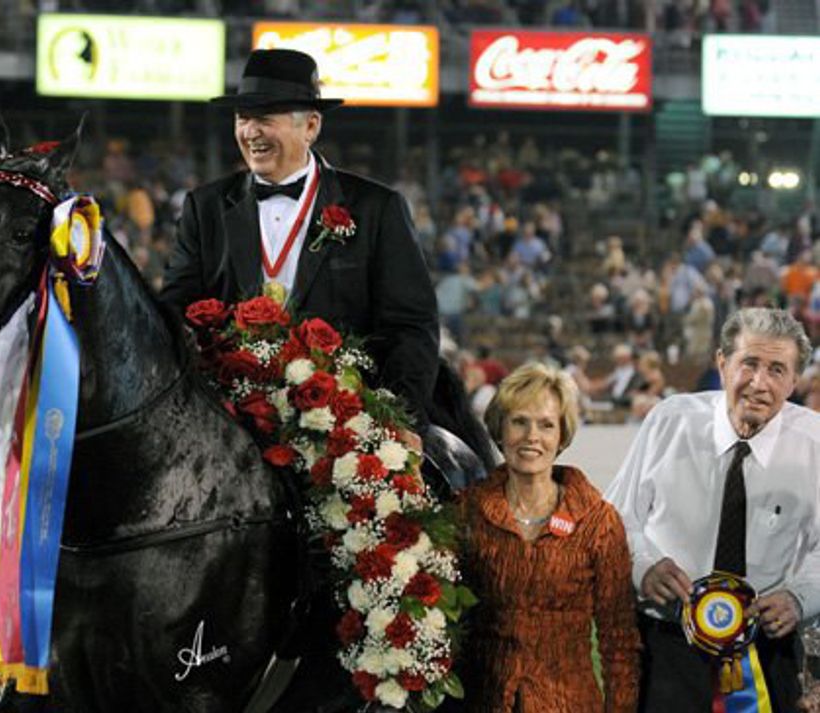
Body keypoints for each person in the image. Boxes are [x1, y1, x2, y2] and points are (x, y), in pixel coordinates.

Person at [158, 48, 438, 432]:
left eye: (264, 119)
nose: (250, 132)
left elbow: (411, 327)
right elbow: (174, 313)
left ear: (311, 127)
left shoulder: (376, 208)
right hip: (226, 423)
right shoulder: (204, 207)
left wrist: (399, 420)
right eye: (242, 118)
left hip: (345, 422)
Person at [605, 307, 820, 712]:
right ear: (722, 364)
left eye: (777, 370)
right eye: (749, 364)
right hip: (666, 640)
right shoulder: (670, 421)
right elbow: (614, 518)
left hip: (767, 648)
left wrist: (799, 597)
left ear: (794, 381)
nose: (759, 383)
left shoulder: (815, 443)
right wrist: (643, 567)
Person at [461, 362, 639, 712]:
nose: (532, 436)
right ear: (500, 429)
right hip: (481, 701)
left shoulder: (598, 522)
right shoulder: (467, 511)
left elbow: (618, 640)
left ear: (562, 436)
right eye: (519, 422)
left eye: (546, 425)